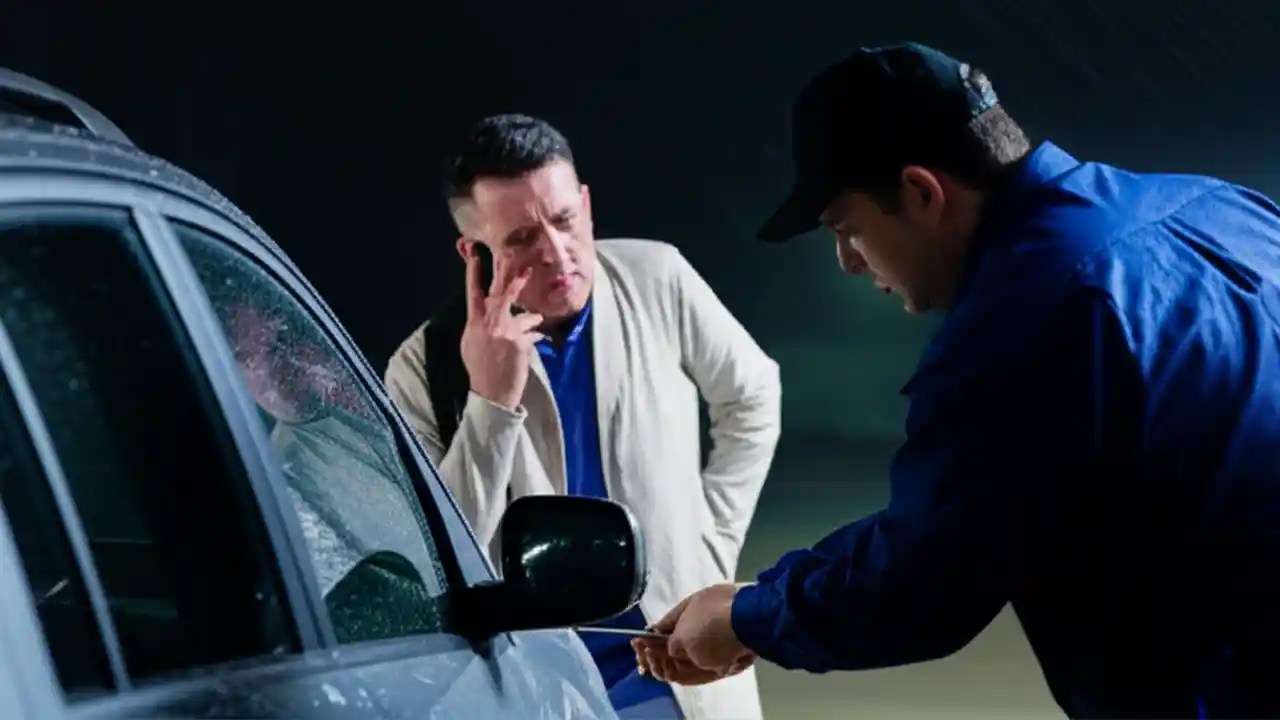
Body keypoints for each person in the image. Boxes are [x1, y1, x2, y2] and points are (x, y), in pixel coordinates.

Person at [633, 42, 1280, 719]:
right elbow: (957, 509)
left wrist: (746, 617)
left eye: (846, 228)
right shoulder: (1221, 208)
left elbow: (919, 583)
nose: (849, 261)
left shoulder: (1024, 322)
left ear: (920, 192)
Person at [383, 113, 782, 719]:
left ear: (587, 205)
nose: (556, 253)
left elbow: (753, 394)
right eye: (520, 239)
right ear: (474, 252)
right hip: (529, 685)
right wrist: (491, 404)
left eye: (566, 220)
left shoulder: (656, 278)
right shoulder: (423, 366)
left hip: (674, 664)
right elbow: (435, 565)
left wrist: (712, 540)